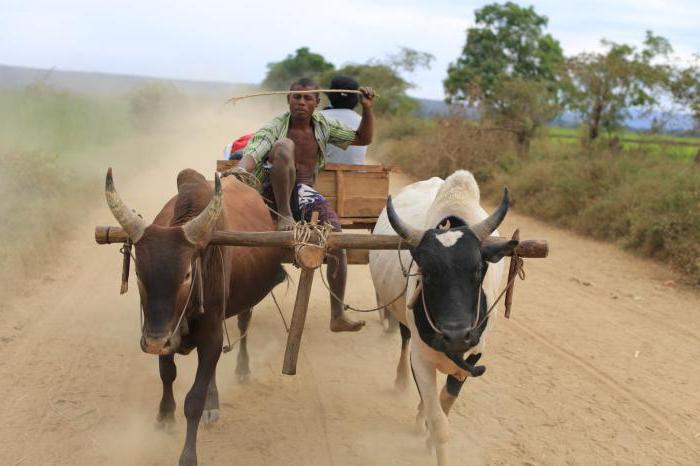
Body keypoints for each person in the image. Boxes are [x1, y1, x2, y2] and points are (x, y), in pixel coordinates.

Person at [236, 77, 375, 332]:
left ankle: (337, 315)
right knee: (282, 146)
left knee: (337, 240)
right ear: (287, 100)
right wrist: (238, 171)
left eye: (307, 98)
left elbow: (362, 139)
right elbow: (254, 151)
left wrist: (366, 108)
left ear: (316, 103)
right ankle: (285, 218)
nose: (301, 102)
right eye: (296, 97)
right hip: (271, 193)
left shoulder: (323, 125)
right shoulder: (276, 125)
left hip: (305, 193)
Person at [320, 75, 367, 165]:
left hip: (324, 175)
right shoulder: (364, 122)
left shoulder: (318, 118)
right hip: (357, 175)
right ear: (355, 100)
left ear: (330, 97)